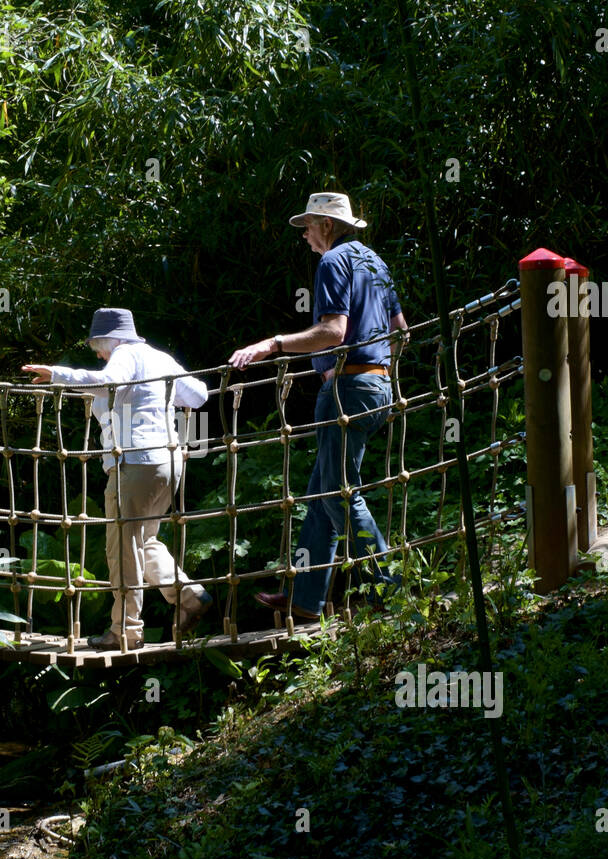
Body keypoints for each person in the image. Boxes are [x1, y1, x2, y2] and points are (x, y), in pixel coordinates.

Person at [228, 192, 407, 621]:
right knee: (322, 492)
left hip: (347, 388)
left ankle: (391, 588)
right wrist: (378, 370)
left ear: (327, 225)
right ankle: (307, 598)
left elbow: (331, 331)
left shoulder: (333, 262)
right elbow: (402, 330)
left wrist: (272, 345)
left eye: (308, 226)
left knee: (340, 492)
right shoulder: (375, 263)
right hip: (375, 388)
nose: (305, 235)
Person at [24, 308, 213, 650]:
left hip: (135, 464)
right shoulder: (160, 358)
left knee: (122, 548)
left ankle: (126, 630)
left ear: (110, 339)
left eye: (98, 347)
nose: (98, 354)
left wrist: (56, 374)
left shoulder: (125, 354)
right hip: (169, 462)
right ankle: (190, 596)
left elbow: (108, 383)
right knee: (145, 541)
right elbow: (198, 396)